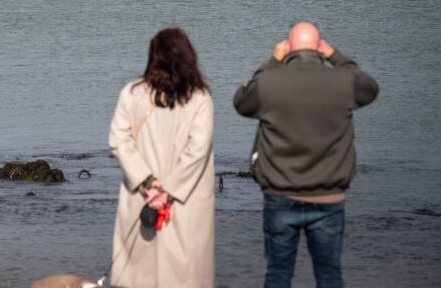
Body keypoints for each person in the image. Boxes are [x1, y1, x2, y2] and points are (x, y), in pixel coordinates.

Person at [234, 23, 379, 288]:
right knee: (329, 274)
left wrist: (271, 63)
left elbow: (242, 101)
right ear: (319, 48)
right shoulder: (342, 81)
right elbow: (369, 87)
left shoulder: (268, 81)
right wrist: (336, 56)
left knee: (278, 272)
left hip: (279, 194)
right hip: (329, 195)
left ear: (287, 48)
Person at [108, 28, 214, 287]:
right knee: (184, 276)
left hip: (141, 198)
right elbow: (197, 151)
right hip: (184, 201)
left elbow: (118, 140)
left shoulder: (131, 93)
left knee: (137, 275)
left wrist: (147, 183)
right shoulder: (199, 98)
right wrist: (166, 191)